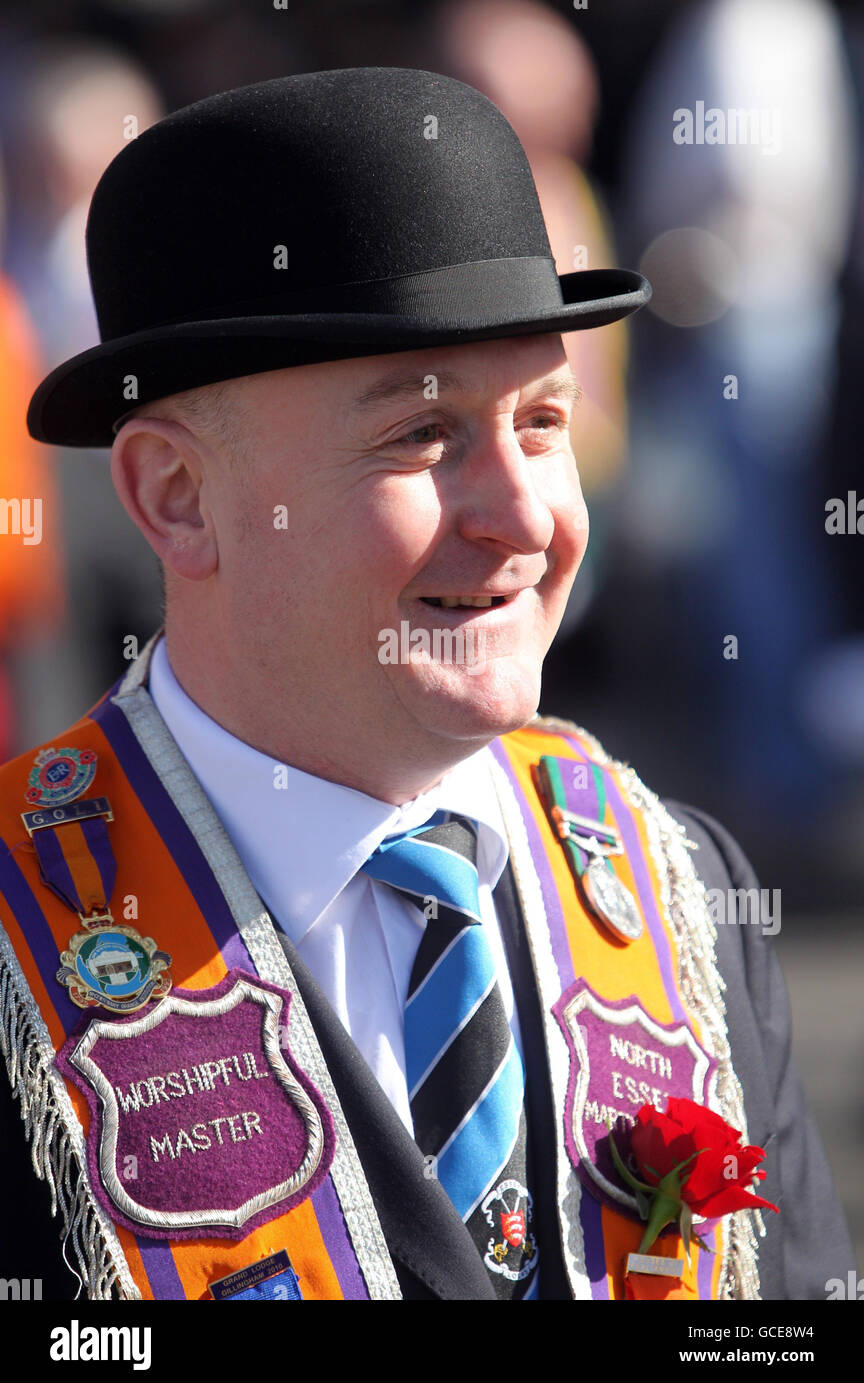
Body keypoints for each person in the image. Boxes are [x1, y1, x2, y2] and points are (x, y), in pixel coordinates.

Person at [0, 67, 853, 1302]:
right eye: (422, 434)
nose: (525, 516)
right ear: (177, 498)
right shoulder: (24, 925)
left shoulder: (679, 886)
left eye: (546, 423)